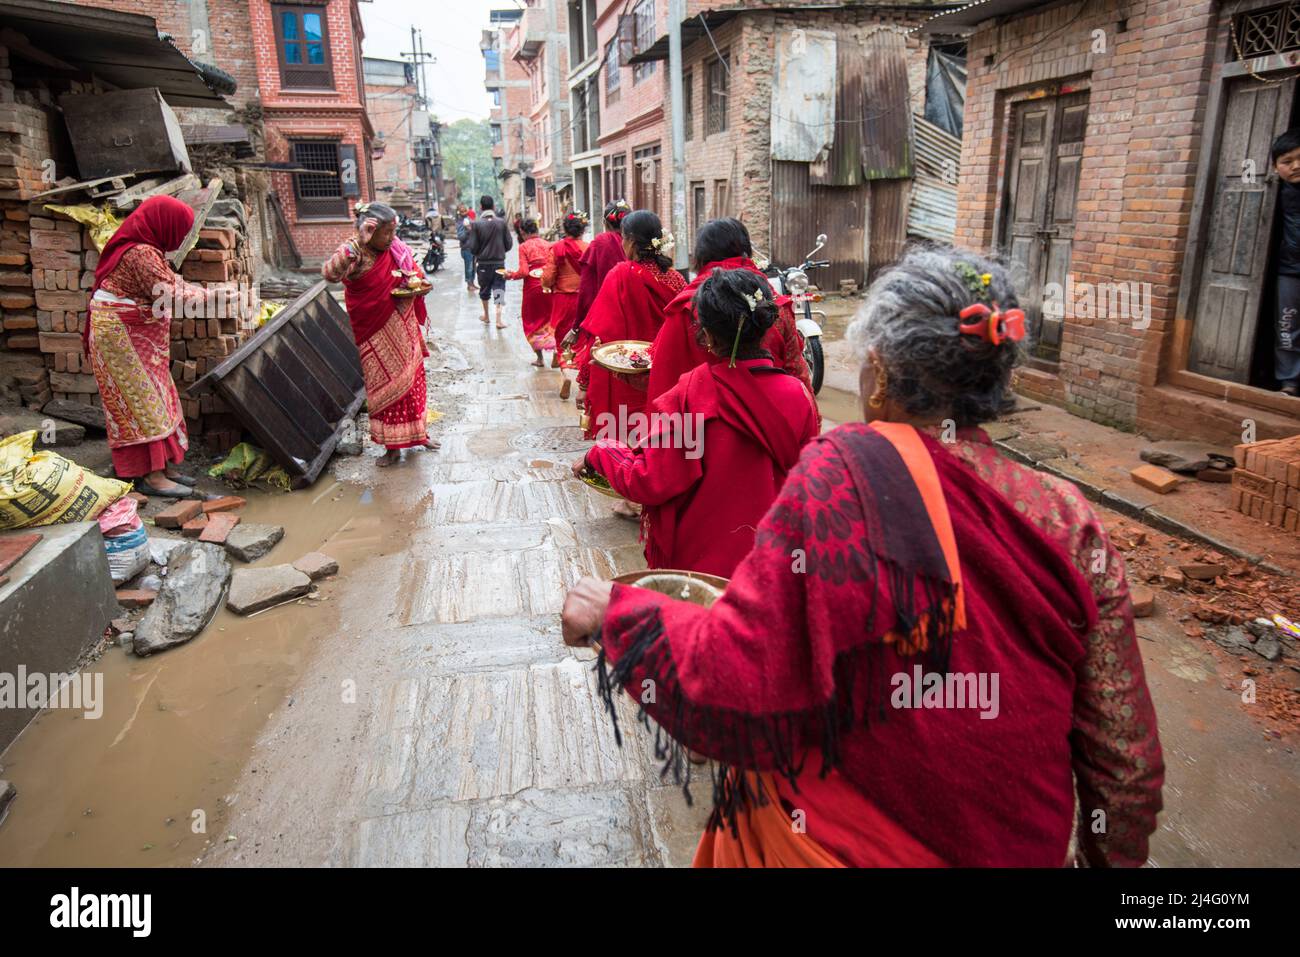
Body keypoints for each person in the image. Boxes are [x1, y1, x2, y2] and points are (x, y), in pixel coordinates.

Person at [560, 246, 1164, 868]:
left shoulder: (843, 476)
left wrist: (620, 615)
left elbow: (736, 685)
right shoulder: (1068, 518)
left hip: (844, 843)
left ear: (876, 369)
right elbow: (1125, 760)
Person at [576, 269, 819, 577]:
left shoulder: (692, 393)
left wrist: (601, 451)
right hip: (777, 561)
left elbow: (649, 479)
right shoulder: (799, 395)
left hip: (707, 567)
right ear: (766, 324)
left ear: (708, 335)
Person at [85, 195, 211, 497]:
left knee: (162, 398)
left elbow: (174, 284)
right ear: (165, 224)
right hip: (119, 339)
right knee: (142, 404)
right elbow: (170, 295)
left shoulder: (149, 250)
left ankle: (166, 466)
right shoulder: (140, 253)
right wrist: (216, 298)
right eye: (180, 230)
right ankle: (151, 477)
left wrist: (209, 291)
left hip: (137, 339)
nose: (180, 238)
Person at [648, 217, 815, 413]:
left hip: (703, 428)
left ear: (701, 257)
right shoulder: (774, 305)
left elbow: (664, 374)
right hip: (770, 422)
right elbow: (796, 371)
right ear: (746, 250)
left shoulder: (686, 307)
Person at [322, 202, 438, 467]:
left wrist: (420, 284)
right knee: (384, 388)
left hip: (404, 327)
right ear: (369, 230)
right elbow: (329, 274)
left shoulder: (396, 247)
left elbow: (414, 273)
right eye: (385, 233)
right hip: (375, 333)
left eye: (393, 232)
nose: (390, 238)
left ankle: (419, 435)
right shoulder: (354, 251)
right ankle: (392, 447)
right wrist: (357, 243)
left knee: (414, 384)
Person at [576, 209, 685, 441]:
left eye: (623, 238)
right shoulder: (676, 278)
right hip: (667, 374)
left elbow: (599, 335)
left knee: (626, 442)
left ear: (632, 242)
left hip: (626, 377)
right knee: (664, 438)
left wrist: (584, 382)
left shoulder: (621, 275)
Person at [567, 199, 630, 356]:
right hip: (633, 314)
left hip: (605, 318)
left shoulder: (600, 243)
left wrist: (576, 327)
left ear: (604, 222)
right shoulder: (636, 243)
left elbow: (587, 290)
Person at [502, 218, 554, 366]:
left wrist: (510, 275)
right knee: (551, 319)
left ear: (523, 232)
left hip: (532, 288)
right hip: (549, 285)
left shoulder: (524, 247)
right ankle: (557, 352)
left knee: (532, 322)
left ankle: (540, 359)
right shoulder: (548, 244)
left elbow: (524, 271)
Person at [541, 210, 590, 364]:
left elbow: (548, 276)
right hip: (585, 299)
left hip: (562, 300)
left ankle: (565, 366)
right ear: (583, 230)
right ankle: (577, 365)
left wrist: (545, 285)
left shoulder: (557, 248)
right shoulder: (589, 248)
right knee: (582, 337)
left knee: (562, 335)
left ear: (565, 229)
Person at [1272, 130, 1300, 396]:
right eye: (1287, 161)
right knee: (1287, 327)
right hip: (1289, 270)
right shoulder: (1273, 192)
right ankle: (1290, 382)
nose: (1296, 166)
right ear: (1275, 167)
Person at [465, 195, 513, 327]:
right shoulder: (501, 223)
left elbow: (473, 247)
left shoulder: (476, 225)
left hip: (483, 264)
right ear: (493, 207)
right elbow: (509, 244)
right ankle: (498, 320)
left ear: (481, 207)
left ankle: (486, 315)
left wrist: (481, 253)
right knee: (499, 288)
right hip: (499, 263)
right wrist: (499, 251)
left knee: (484, 290)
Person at [455, 204, 477, 294]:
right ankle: (469, 284)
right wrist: (468, 231)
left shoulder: (469, 220)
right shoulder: (460, 223)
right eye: (462, 211)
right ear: (459, 212)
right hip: (466, 248)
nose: (464, 212)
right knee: (469, 267)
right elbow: (460, 237)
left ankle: (472, 283)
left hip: (473, 247)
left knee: (473, 267)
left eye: (465, 210)